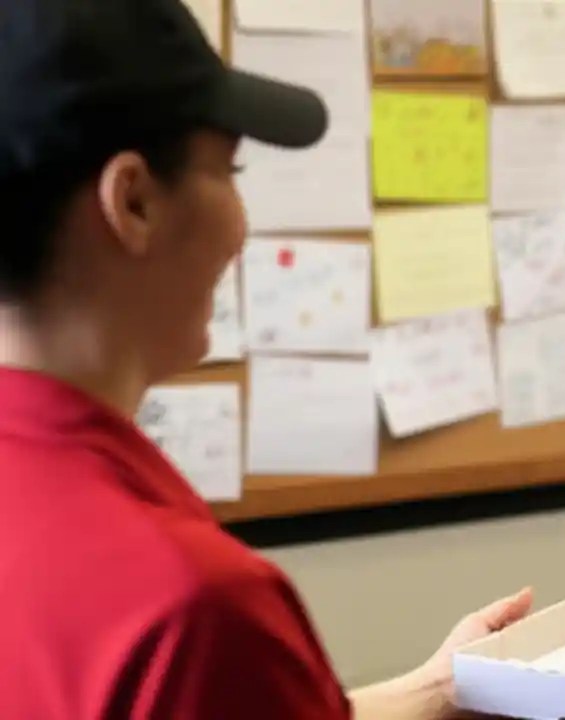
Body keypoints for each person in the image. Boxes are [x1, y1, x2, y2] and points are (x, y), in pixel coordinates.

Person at [0, 0, 531, 717]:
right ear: (134, 204)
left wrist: (436, 688)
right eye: (230, 170)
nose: (241, 229)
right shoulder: (192, 608)